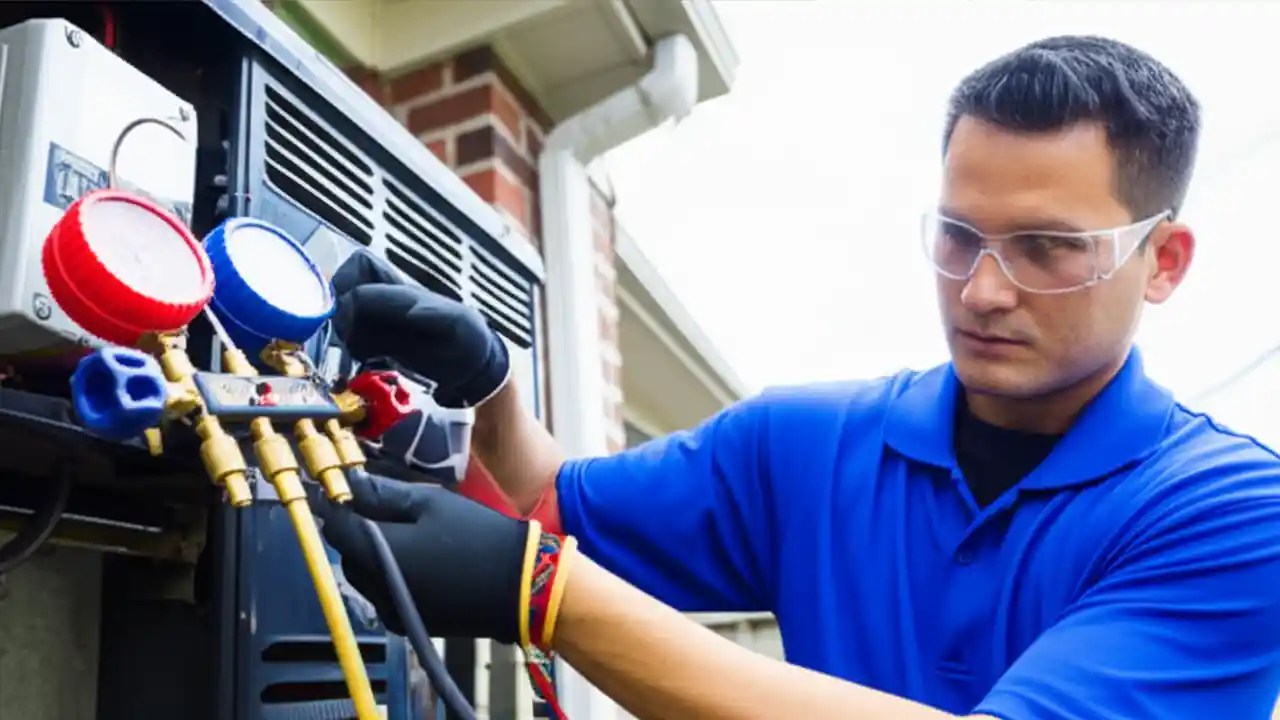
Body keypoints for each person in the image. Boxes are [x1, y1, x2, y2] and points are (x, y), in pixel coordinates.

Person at [314, 34, 1280, 719]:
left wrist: (552, 600)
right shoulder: (804, 448)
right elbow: (546, 511)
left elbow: (542, 575)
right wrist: (489, 394)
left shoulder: (1231, 509)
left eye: (1047, 247)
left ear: (1166, 261)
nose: (982, 291)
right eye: (957, 234)